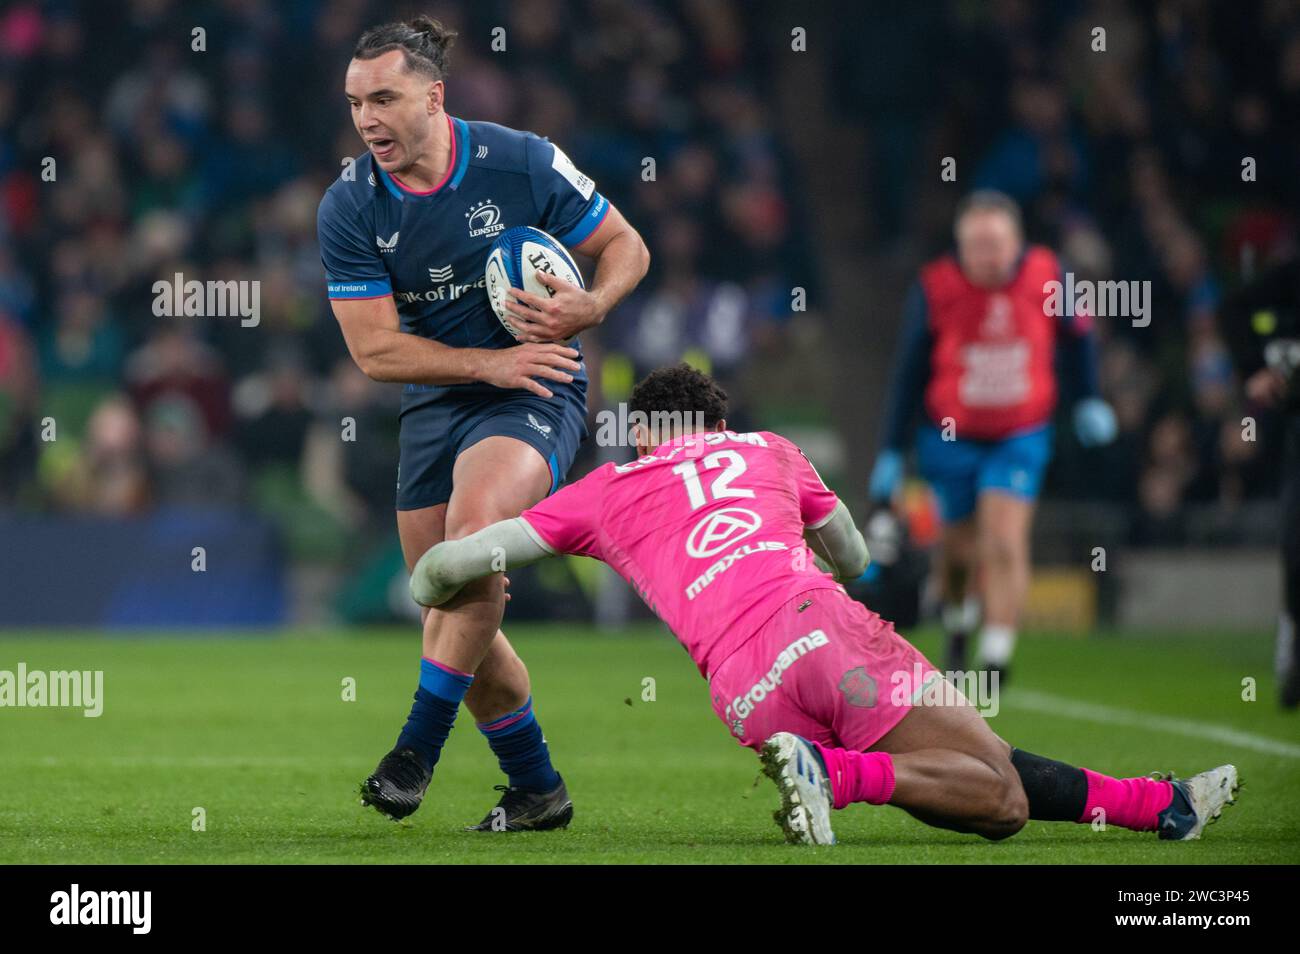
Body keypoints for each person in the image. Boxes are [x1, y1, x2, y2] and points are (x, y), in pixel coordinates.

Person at [408, 364, 1237, 845]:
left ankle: (1160, 805)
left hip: (742, 691)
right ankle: (836, 775)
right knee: (998, 796)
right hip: (821, 626)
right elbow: (855, 556)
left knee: (969, 764)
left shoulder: (608, 488)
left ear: (645, 436)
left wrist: (428, 588)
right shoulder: (771, 450)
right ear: (716, 423)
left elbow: (463, 558)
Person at [316, 15, 650, 828]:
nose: (368, 120)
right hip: (439, 399)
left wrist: (593, 302)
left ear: (435, 96)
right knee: (447, 602)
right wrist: (481, 363)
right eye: (357, 103)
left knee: (473, 538)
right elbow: (373, 352)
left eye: (385, 99)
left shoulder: (520, 160)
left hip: (536, 386)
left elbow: (626, 245)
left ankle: (415, 750)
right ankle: (538, 790)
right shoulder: (350, 205)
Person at [868, 190, 1115, 678]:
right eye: (976, 245)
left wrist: (1088, 396)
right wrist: (892, 449)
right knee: (957, 547)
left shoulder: (1050, 275)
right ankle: (959, 625)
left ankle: (997, 656)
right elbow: (909, 370)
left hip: (1020, 431)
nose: (987, 256)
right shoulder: (936, 286)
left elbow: (1078, 337)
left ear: (1016, 240)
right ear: (960, 247)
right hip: (951, 434)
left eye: (995, 243)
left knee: (1004, 537)